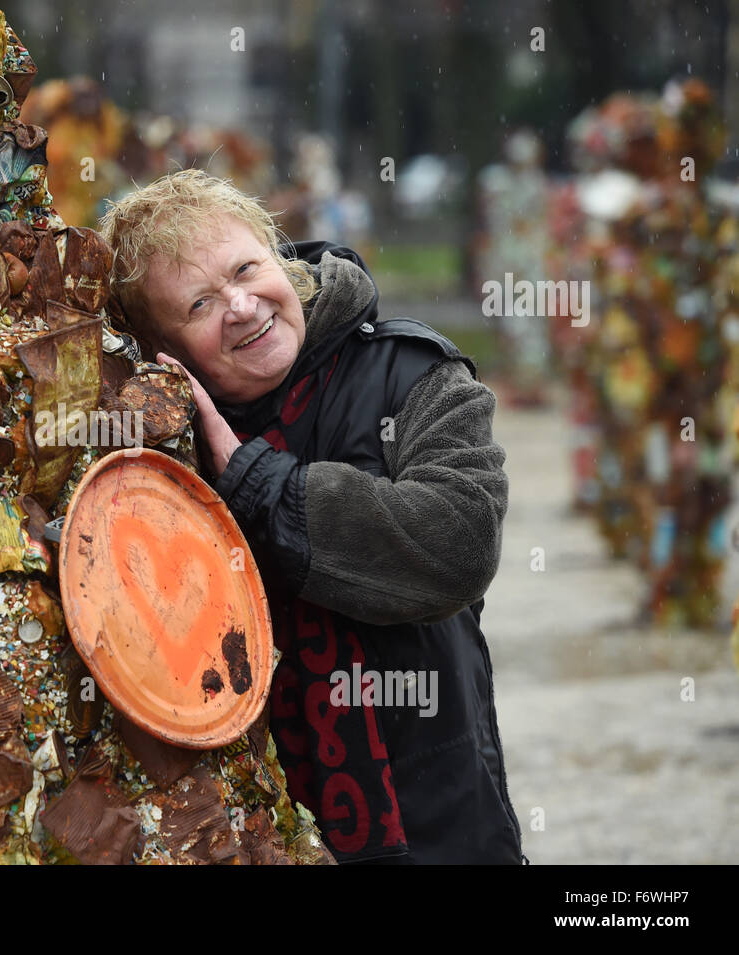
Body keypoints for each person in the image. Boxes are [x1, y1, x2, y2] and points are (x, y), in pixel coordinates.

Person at [100, 168, 525, 864]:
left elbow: (460, 543)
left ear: (281, 261)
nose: (240, 305)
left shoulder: (412, 373)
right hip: (256, 831)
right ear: (161, 352)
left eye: (246, 268)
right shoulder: (155, 465)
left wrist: (258, 484)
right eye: (200, 303)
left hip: (441, 821)